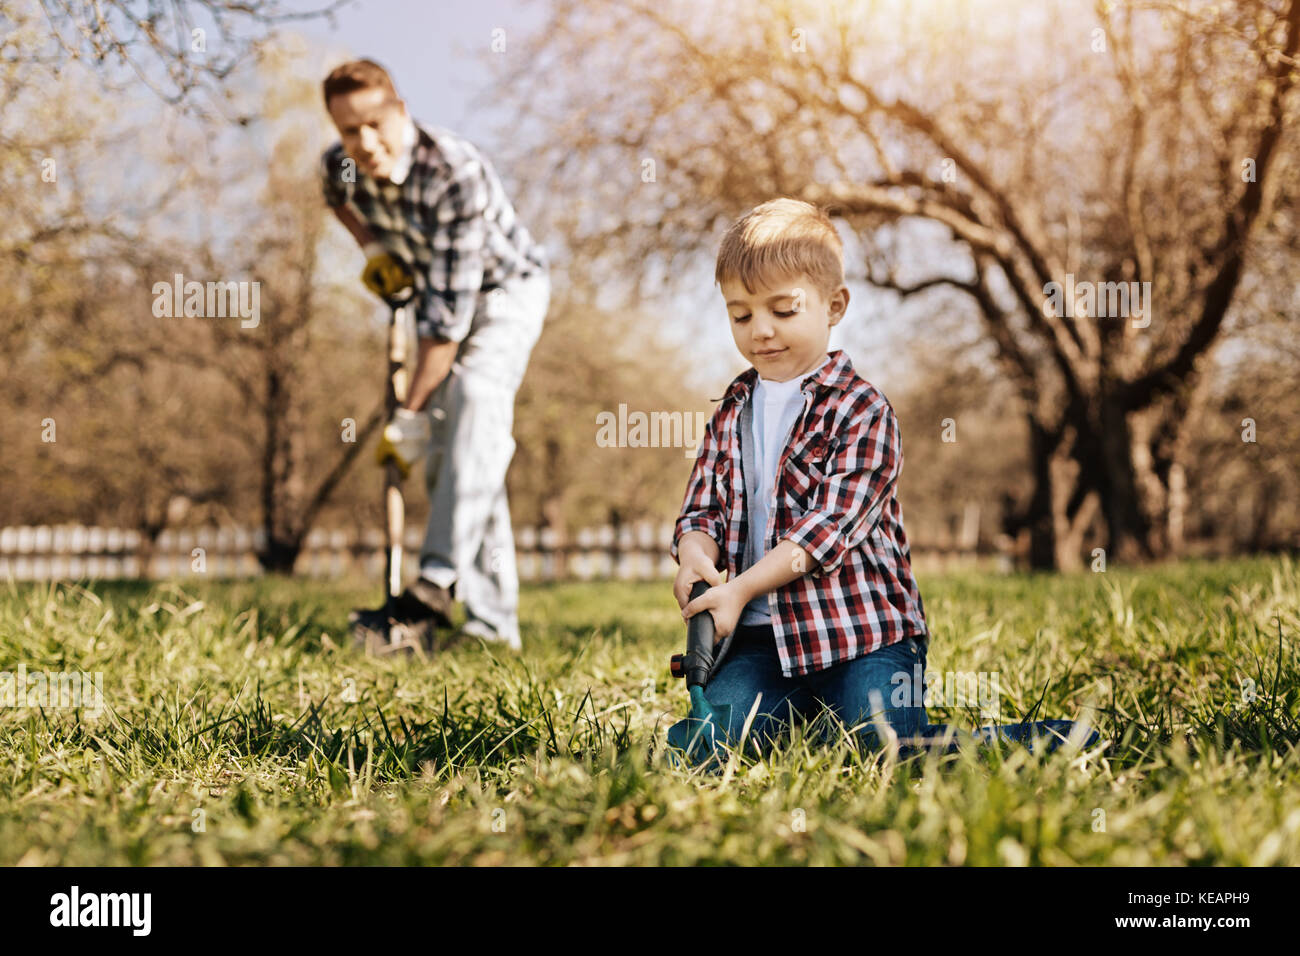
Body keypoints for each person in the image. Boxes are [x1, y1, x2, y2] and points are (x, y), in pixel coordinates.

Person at [670, 198, 1097, 762]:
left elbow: (824, 533)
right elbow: (702, 509)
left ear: (834, 305)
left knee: (882, 742)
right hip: (760, 642)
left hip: (863, 636)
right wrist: (694, 555)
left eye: (784, 310)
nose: (762, 331)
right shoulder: (732, 410)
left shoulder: (861, 409)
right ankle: (800, 718)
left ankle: (1053, 740)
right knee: (712, 745)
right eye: (741, 315)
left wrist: (742, 587)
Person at [319, 59, 549, 652]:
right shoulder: (341, 163)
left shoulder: (453, 173)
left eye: (374, 123)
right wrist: (373, 248)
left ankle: (435, 582)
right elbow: (334, 194)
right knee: (471, 448)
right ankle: (491, 629)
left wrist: (410, 414)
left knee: (473, 397)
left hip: (506, 291)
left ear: (400, 110)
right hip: (441, 298)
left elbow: (445, 330)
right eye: (349, 130)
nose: (363, 143)